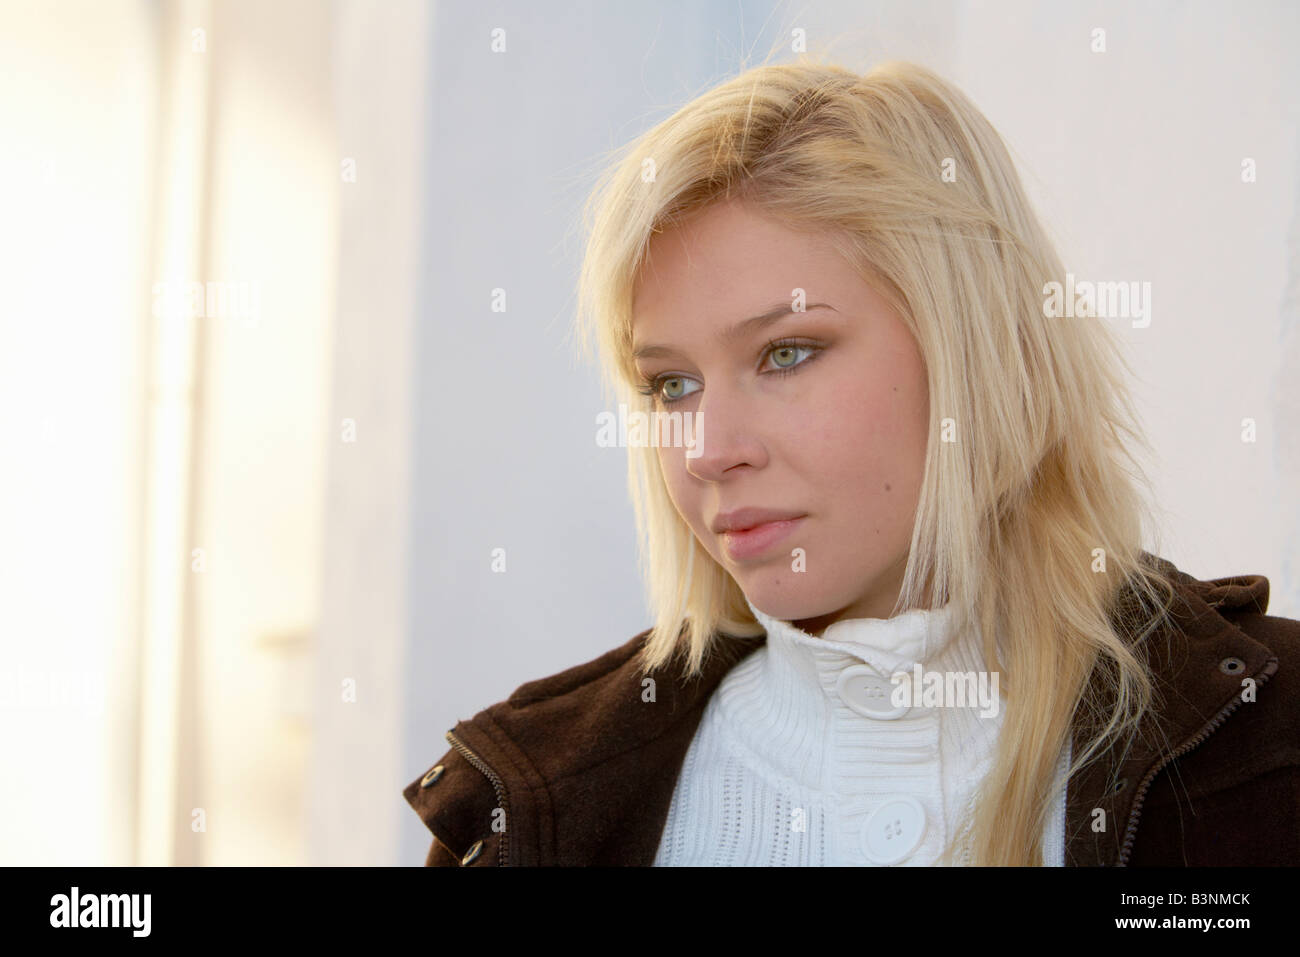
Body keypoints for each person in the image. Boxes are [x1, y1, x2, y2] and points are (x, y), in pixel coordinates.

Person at [404, 58, 1300, 866]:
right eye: (672, 386)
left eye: (786, 353)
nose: (710, 451)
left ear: (976, 354)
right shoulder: (526, 810)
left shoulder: (1270, 743)